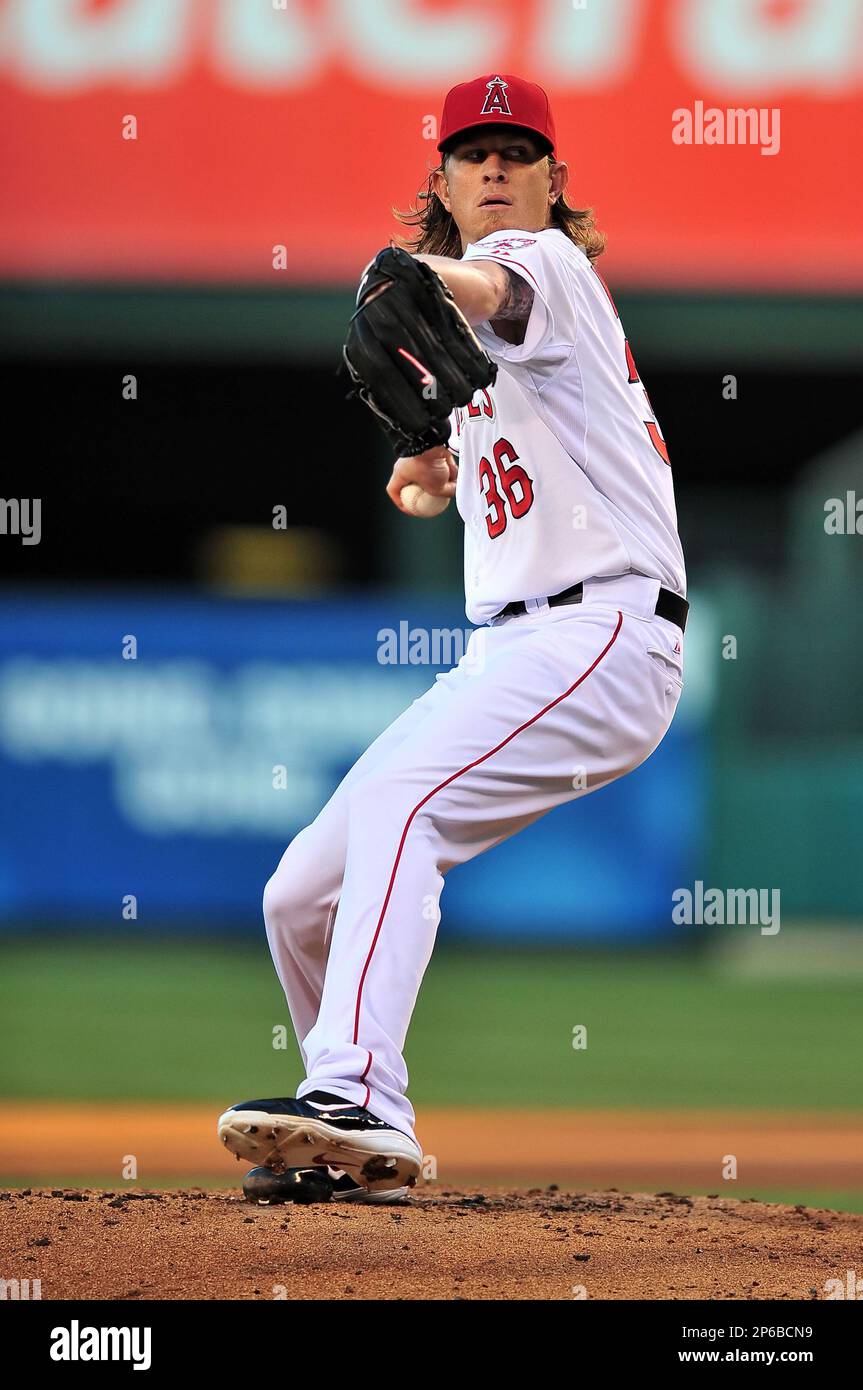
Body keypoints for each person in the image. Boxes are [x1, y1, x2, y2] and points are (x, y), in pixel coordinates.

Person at [218, 74, 687, 1203]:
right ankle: (352, 1143)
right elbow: (491, 419)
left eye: (516, 152)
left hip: (603, 633)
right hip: (520, 647)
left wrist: (410, 272)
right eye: (472, 152)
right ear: (439, 176)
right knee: (298, 894)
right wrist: (440, 465)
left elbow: (478, 284)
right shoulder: (480, 351)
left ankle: (358, 1089)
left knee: (403, 807)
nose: (493, 168)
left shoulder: (547, 268)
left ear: (552, 183)